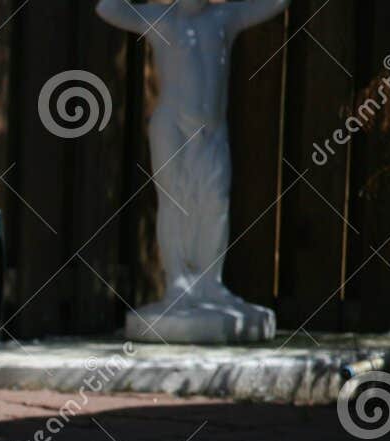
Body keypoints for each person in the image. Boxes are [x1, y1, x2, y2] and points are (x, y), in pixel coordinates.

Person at [95, 0, 288, 340]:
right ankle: (178, 283)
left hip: (211, 129)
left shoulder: (225, 18)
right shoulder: (160, 19)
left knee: (215, 201)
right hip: (172, 125)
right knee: (173, 201)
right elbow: (108, 9)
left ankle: (211, 282)